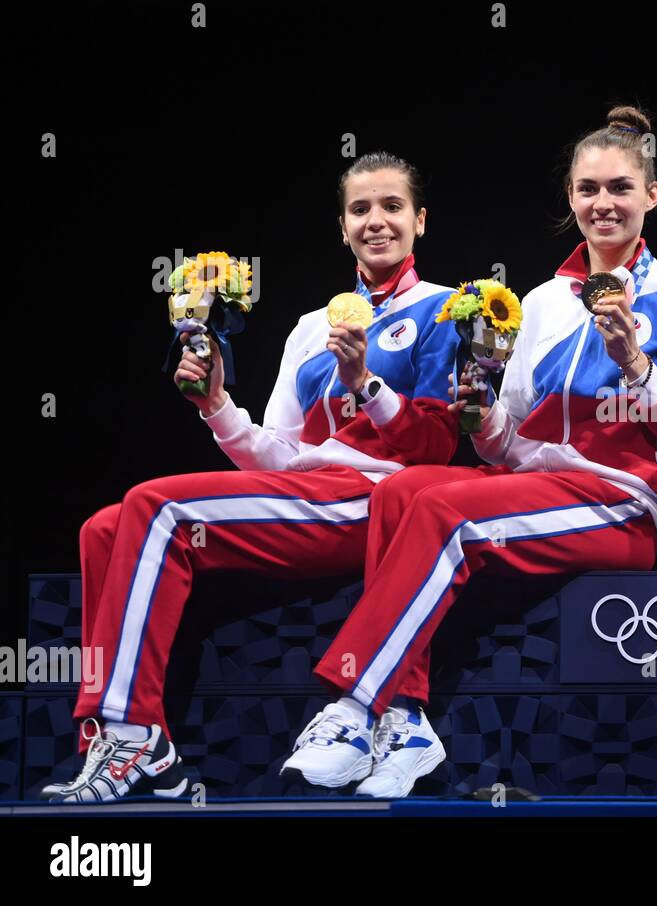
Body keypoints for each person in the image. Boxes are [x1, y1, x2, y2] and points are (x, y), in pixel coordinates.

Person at [281, 105, 657, 799]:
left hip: (621, 508)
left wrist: (638, 367)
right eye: (587, 189)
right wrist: (483, 416)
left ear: (651, 195)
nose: (602, 204)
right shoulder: (541, 304)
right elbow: (507, 451)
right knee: (403, 491)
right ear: (570, 198)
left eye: (618, 188)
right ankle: (406, 722)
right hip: (547, 494)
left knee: (447, 517)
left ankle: (352, 706)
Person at [43, 151, 464, 803]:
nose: (376, 221)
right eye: (360, 209)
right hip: (308, 499)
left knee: (155, 505)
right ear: (341, 226)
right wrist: (216, 405)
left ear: (421, 221)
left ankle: (129, 738)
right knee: (106, 527)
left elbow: (436, 448)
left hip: (381, 509)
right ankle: (124, 742)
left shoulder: (446, 312)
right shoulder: (308, 329)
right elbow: (280, 457)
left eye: (392, 207)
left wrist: (366, 384)